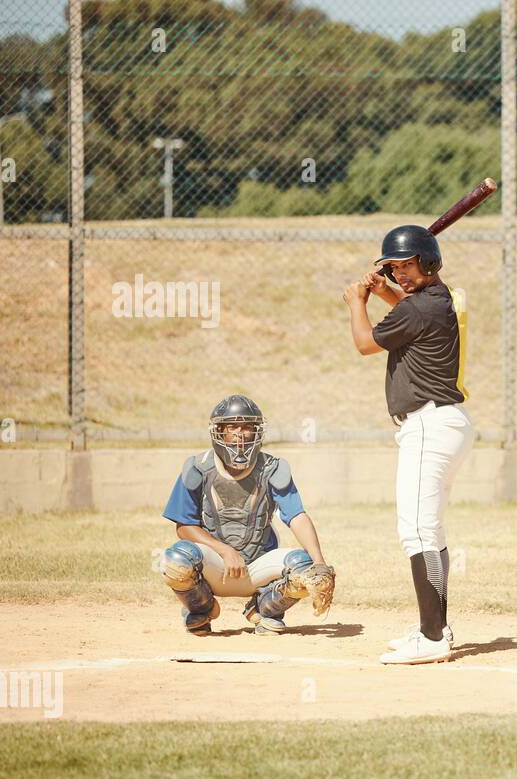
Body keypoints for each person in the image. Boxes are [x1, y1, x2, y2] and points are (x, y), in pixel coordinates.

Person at [344, 225, 474, 665]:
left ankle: (433, 637)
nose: (399, 274)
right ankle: (432, 629)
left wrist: (357, 302)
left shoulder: (418, 308)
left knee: (416, 531)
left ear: (429, 261)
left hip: (427, 425)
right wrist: (386, 291)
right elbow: (409, 311)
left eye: (406, 265)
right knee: (429, 530)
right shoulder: (439, 301)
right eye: (393, 267)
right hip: (443, 424)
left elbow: (365, 344)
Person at [159, 394, 335, 636]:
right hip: (215, 566)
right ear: (218, 431)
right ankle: (202, 607)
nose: (240, 434)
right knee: (175, 559)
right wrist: (224, 550)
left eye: (248, 428)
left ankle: (265, 608)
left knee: (304, 567)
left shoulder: (272, 468)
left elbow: (296, 515)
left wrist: (319, 563)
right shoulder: (198, 467)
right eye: (232, 427)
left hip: (257, 569)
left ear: (258, 432)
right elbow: (184, 527)